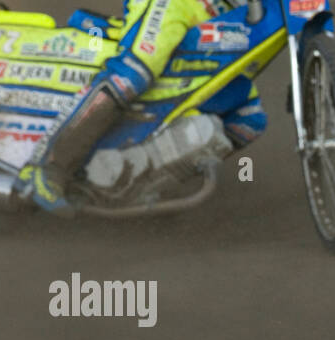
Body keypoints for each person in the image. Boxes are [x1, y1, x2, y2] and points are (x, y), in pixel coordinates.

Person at [16, 1, 266, 214]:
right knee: (134, 72)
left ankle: (141, 182)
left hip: (229, 14)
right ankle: (48, 166)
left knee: (249, 119)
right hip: (176, 4)